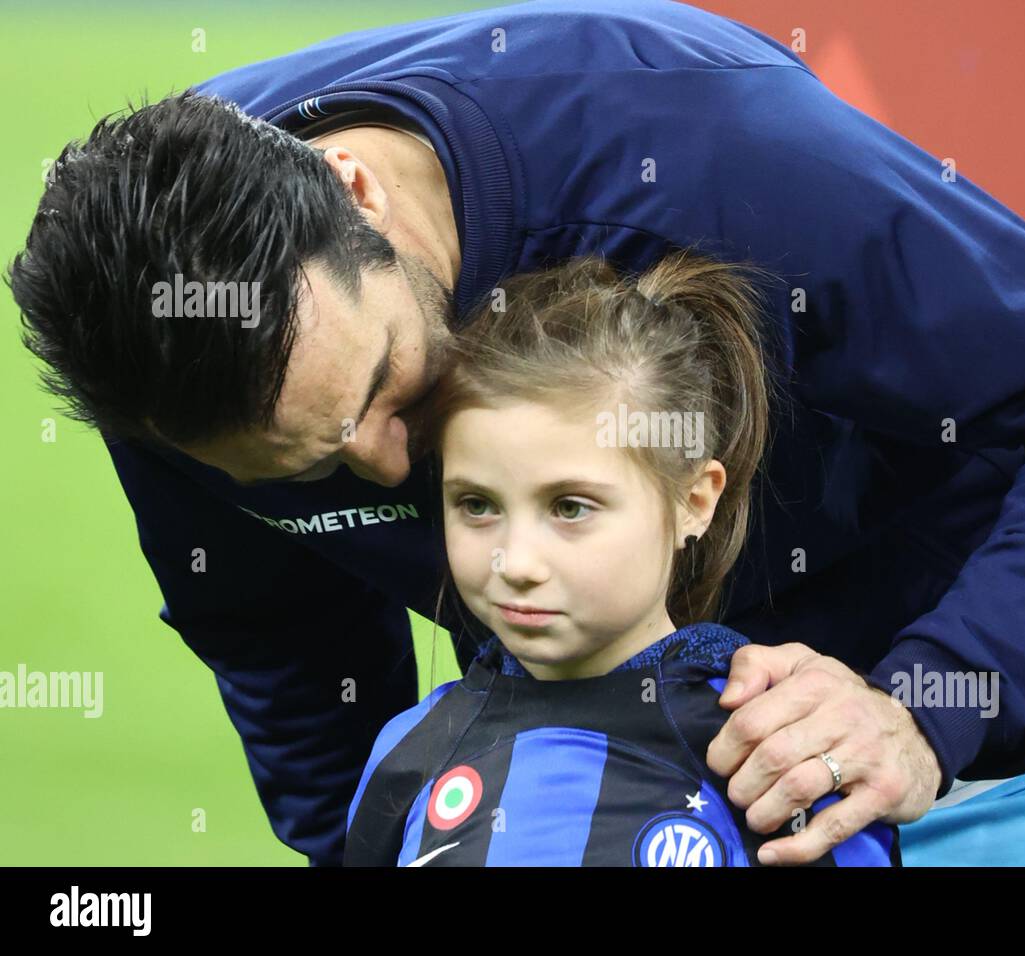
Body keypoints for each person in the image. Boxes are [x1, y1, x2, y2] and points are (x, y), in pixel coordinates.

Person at [6, 0, 1025, 866]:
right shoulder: (164, 327)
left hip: (973, 730)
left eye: (388, 386)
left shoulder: (711, 140)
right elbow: (277, 637)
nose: (396, 476)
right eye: (315, 466)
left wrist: (922, 705)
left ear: (353, 191)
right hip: (592, 779)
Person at [346, 250, 897, 866]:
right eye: (477, 505)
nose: (516, 562)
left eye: (571, 507)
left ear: (694, 500)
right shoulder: (408, 749)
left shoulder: (776, 751)